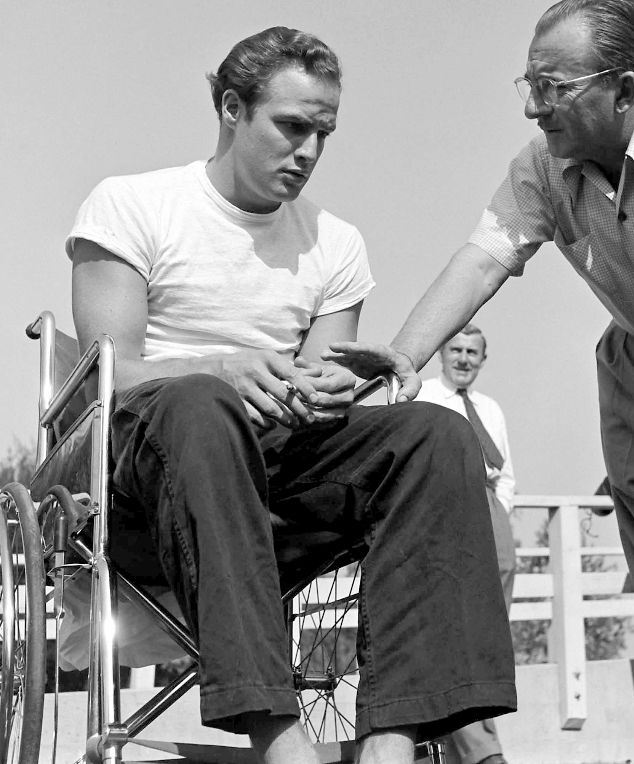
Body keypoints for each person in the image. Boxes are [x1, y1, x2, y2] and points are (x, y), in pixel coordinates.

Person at [324, 2, 634, 762]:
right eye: (530, 82)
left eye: (553, 86)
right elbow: (483, 259)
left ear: (624, 87)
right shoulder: (540, 168)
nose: (532, 104)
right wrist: (405, 357)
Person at [66, 26, 516, 764]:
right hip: (143, 475)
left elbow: (311, 404)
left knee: (434, 431)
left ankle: (392, 740)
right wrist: (217, 367)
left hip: (269, 480)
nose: (307, 150)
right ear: (233, 108)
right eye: (292, 126)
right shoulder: (132, 204)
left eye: (323, 133)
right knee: (201, 405)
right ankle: (281, 741)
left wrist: (340, 384)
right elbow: (106, 375)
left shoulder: (335, 244)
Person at [416, 324, 515, 764]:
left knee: (489, 640)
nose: (463, 359)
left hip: (490, 515)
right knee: (457, 633)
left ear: (483, 359)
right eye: (456, 349)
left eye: (473, 352)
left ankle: (466, 751)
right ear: (441, 353)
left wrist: (499, 514)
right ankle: (484, 753)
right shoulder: (424, 400)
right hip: (445, 512)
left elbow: (506, 472)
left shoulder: (490, 408)